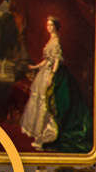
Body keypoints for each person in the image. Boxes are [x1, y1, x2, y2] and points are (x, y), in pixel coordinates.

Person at [20, 17, 64, 147]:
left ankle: (44, 131)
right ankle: (36, 130)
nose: (49, 28)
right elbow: (46, 60)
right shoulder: (50, 40)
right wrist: (34, 67)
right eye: (48, 25)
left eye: (51, 25)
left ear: (55, 27)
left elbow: (55, 61)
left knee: (44, 101)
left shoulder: (56, 42)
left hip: (48, 73)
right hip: (43, 72)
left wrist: (52, 75)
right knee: (37, 99)